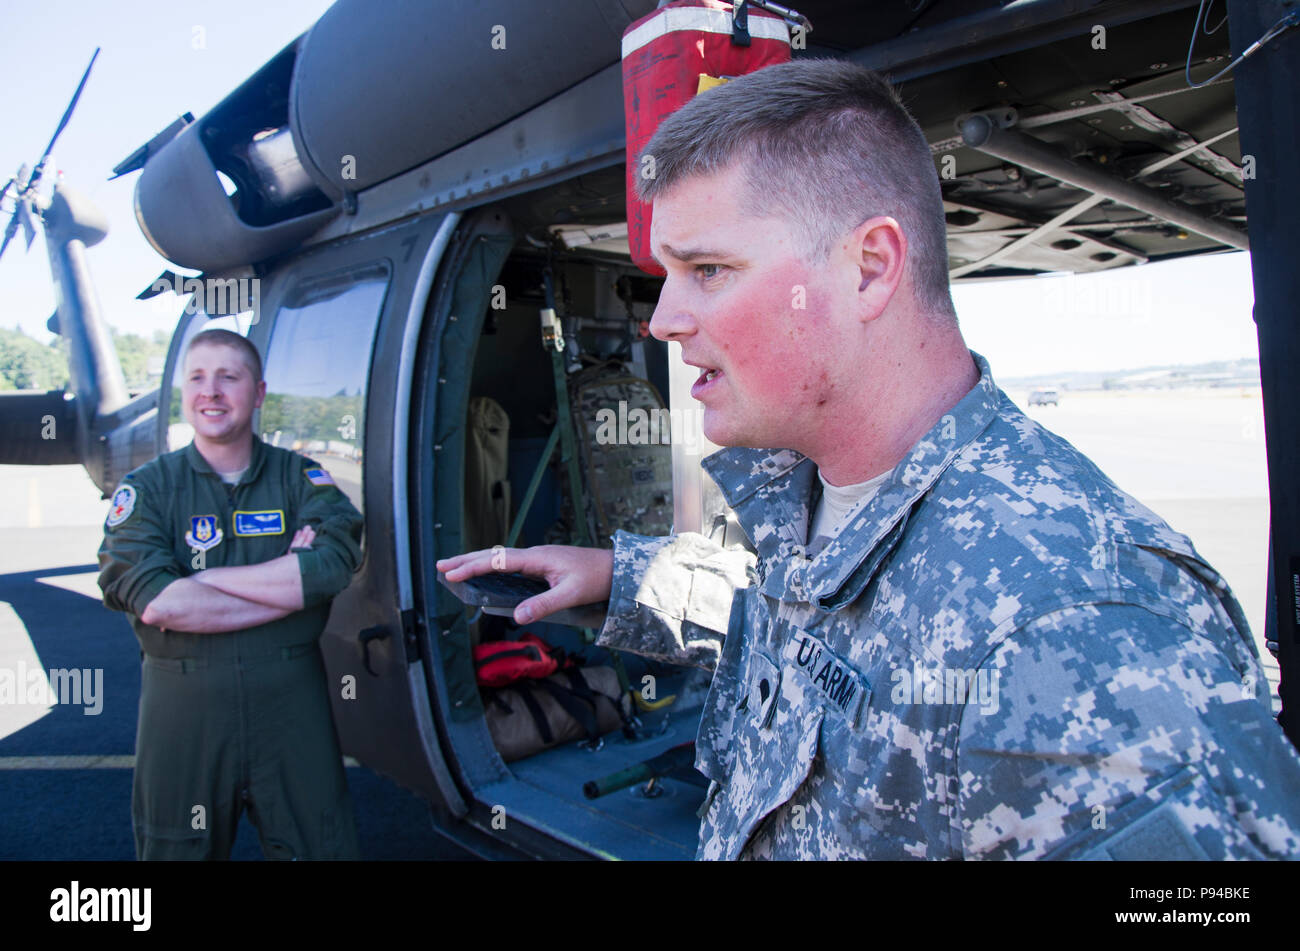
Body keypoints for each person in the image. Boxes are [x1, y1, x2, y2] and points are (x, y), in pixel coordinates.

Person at [439, 58, 1300, 860]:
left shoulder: (1081, 632)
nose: (661, 319)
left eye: (707, 268)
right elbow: (814, 633)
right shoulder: (817, 488)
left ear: (869, 267)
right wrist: (623, 580)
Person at [99, 328, 362, 860]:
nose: (211, 391)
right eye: (197, 377)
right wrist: (286, 578)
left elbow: (330, 566)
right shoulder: (146, 490)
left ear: (259, 392)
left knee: (321, 846)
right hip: (183, 711)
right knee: (177, 851)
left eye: (229, 376)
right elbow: (158, 602)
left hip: (292, 707)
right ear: (182, 392)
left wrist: (201, 580)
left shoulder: (303, 479)